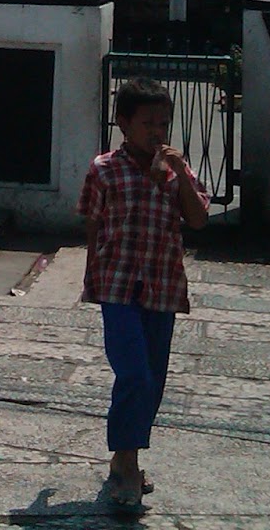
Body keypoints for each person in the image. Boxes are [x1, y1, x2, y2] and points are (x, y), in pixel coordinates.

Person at [78, 78, 209, 513]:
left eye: (164, 123)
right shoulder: (103, 169)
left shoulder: (176, 169)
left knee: (152, 379)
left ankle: (122, 457)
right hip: (117, 285)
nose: (157, 131)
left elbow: (198, 220)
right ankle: (129, 465)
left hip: (162, 285)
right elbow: (92, 224)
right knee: (133, 372)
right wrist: (92, 275)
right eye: (148, 122)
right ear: (124, 123)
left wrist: (179, 174)